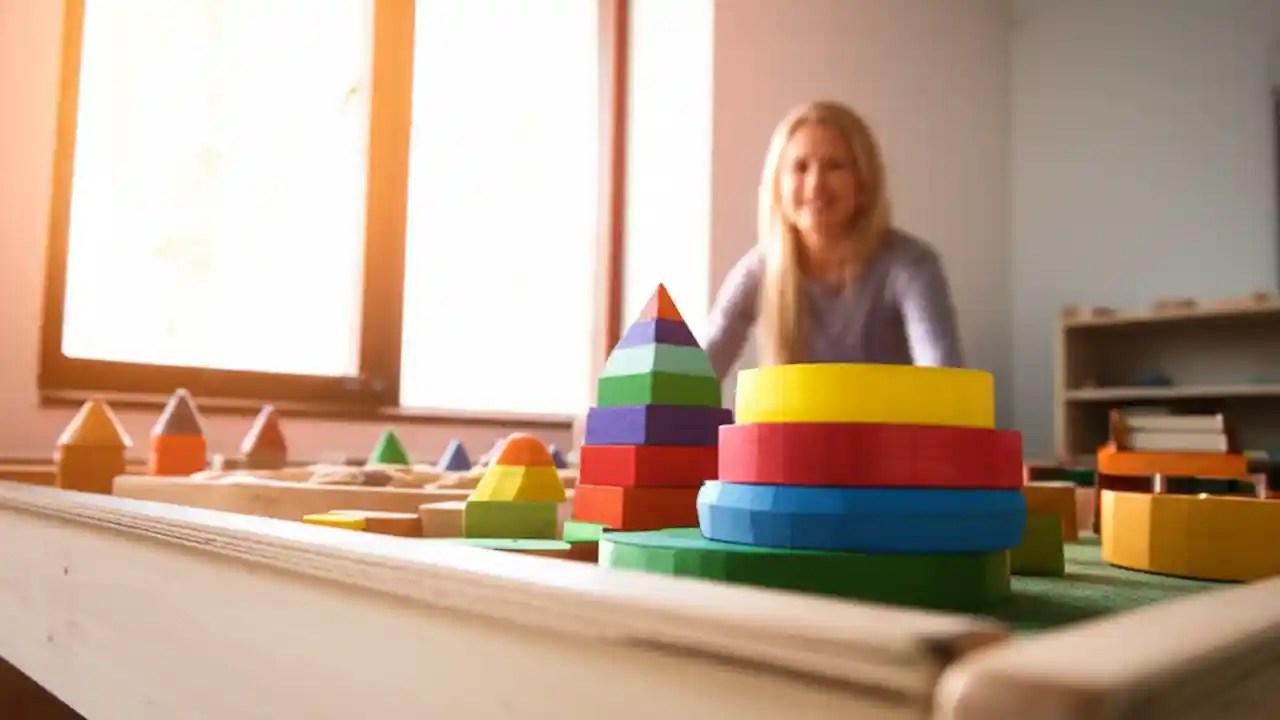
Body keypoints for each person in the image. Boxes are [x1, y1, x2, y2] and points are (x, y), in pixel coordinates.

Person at [704, 100, 964, 380]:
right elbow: (699, 373)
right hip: (795, 424)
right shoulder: (759, 269)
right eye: (800, 167)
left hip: (891, 425)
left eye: (834, 166)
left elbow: (944, 377)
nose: (816, 185)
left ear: (864, 183)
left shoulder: (911, 265)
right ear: (778, 186)